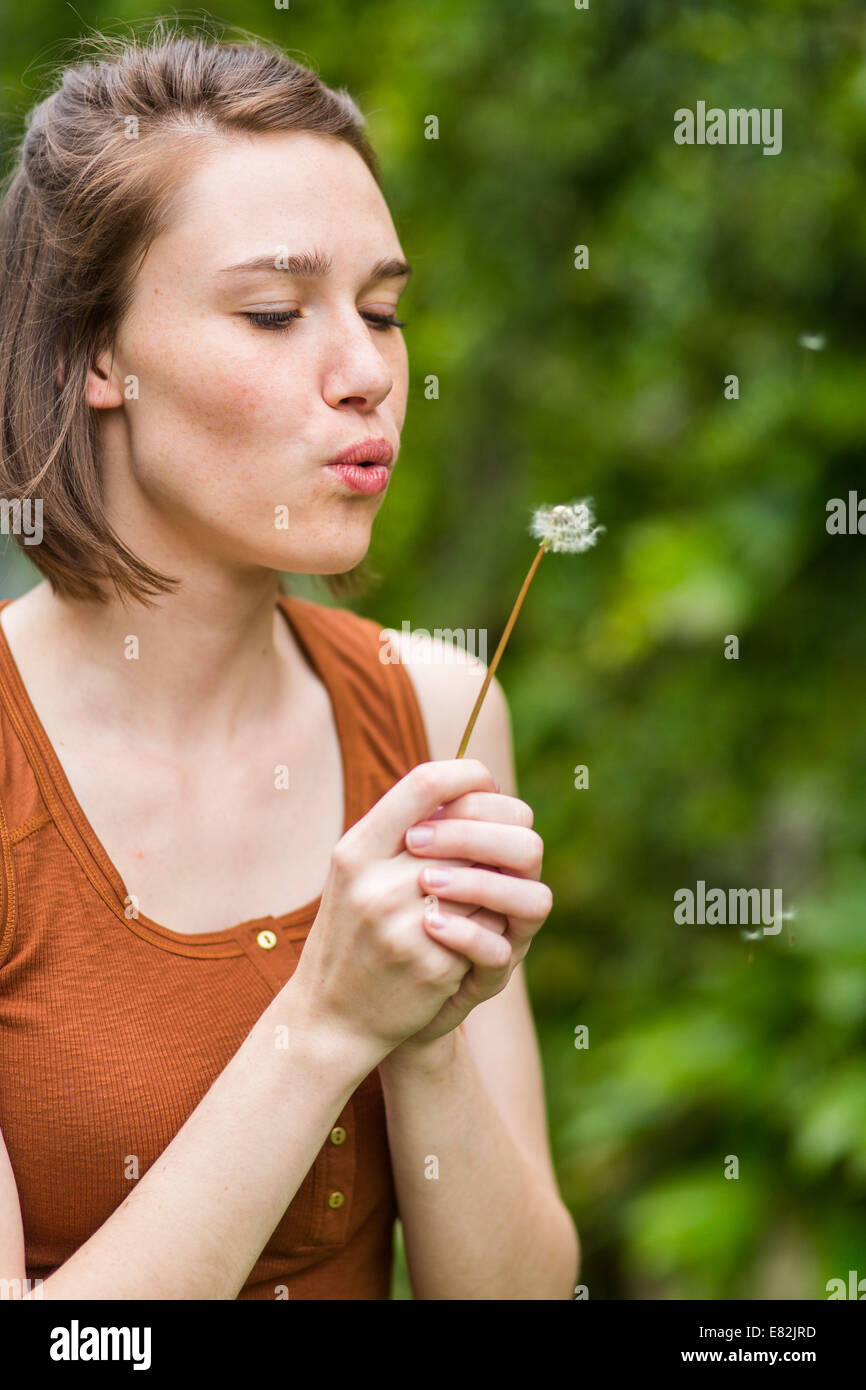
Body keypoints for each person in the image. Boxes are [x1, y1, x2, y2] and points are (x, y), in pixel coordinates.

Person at [0, 24, 579, 1300]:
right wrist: (326, 1023)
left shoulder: (434, 710)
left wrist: (424, 1038)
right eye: (274, 312)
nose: (368, 373)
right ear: (94, 354)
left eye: (380, 311)